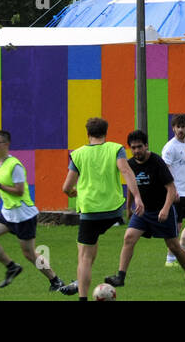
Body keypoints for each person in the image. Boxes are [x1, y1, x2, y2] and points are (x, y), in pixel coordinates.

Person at [59, 117, 144, 300]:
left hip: (90, 212)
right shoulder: (116, 149)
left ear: (88, 134)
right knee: (91, 246)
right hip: (113, 212)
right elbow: (126, 171)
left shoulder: (78, 154)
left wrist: (73, 193)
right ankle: (81, 279)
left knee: (84, 257)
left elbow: (66, 187)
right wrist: (137, 197)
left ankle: (82, 295)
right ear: (106, 133)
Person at [104, 130, 185, 288]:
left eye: (139, 147)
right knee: (129, 238)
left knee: (173, 246)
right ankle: (120, 277)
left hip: (162, 210)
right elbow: (132, 187)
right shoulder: (130, 164)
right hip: (143, 211)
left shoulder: (156, 162)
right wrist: (128, 207)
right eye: (133, 148)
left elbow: (171, 189)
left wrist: (166, 209)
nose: (136, 151)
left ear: (146, 146)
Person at [0, 129, 64, 290]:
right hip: (8, 212)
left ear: (6, 144)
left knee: (29, 254)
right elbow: (4, 185)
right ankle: (12, 267)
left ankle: (55, 280)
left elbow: (19, 191)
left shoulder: (15, 165)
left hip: (23, 215)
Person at [161, 114, 185, 267]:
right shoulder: (170, 147)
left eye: (183, 126)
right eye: (178, 127)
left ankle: (180, 250)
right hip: (175, 193)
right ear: (173, 128)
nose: (181, 129)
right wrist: (172, 189)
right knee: (176, 226)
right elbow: (165, 169)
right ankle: (170, 259)